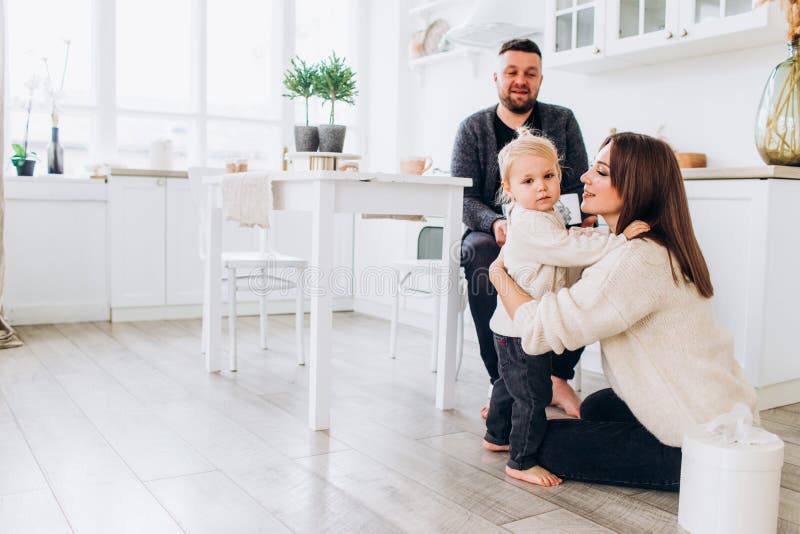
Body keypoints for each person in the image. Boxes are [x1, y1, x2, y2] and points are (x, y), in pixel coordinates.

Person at [487, 132, 758, 489]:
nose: (583, 177)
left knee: (545, 444)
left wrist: (498, 276)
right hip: (717, 407)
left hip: (698, 443)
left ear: (635, 186)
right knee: (598, 407)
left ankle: (680, 461)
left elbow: (539, 332)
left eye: (600, 171)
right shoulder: (651, 241)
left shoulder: (634, 260)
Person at [483, 129, 649, 486]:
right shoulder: (529, 221)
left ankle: (495, 436)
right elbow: (568, 249)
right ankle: (521, 460)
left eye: (548, 176)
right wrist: (616, 238)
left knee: (508, 386)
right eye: (528, 180)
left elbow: (566, 244)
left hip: (510, 324)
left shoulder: (543, 212)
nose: (541, 187)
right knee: (533, 395)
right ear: (509, 189)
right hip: (521, 326)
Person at [451, 38, 590, 418]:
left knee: (588, 260)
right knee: (480, 256)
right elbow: (463, 197)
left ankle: (557, 378)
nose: (520, 80)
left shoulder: (562, 120)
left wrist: (571, 226)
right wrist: (495, 222)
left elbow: (578, 184)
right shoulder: (473, 129)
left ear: (540, 79)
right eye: (512, 72)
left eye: (530, 73)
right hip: (494, 232)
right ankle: (505, 383)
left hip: (553, 226)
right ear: (496, 77)